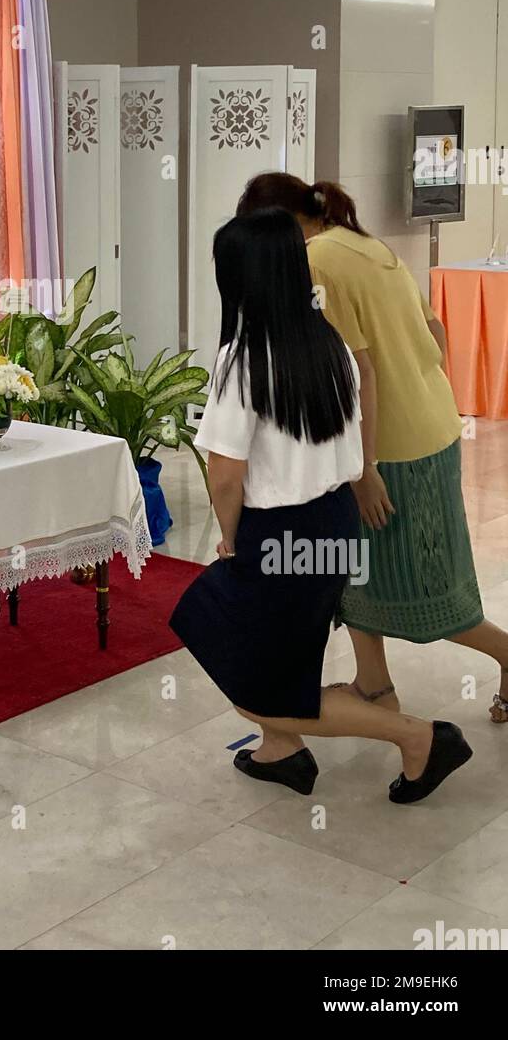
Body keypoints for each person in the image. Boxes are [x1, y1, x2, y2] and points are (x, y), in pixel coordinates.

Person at [170, 209, 473, 801]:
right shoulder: (328, 343)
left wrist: (229, 537)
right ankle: (281, 751)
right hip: (333, 521)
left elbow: (226, 475)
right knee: (271, 652)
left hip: (280, 531)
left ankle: (418, 738)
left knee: (253, 679)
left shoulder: (244, 358)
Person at [237, 172, 508, 726]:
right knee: (354, 573)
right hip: (427, 427)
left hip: (389, 450)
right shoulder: (367, 244)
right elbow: (434, 334)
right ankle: (373, 684)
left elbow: (357, 371)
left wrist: (365, 470)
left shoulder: (317, 264)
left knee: (429, 589)